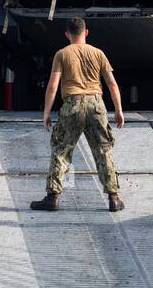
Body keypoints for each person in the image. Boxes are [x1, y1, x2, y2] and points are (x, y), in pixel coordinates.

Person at [30, 16, 126, 213]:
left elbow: (53, 86)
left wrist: (46, 112)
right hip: (96, 104)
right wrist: (118, 110)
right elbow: (112, 84)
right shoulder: (98, 53)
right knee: (103, 150)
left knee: (61, 150)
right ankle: (113, 198)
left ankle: (53, 197)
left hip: (72, 104)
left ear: (67, 35)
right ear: (86, 32)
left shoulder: (62, 54)